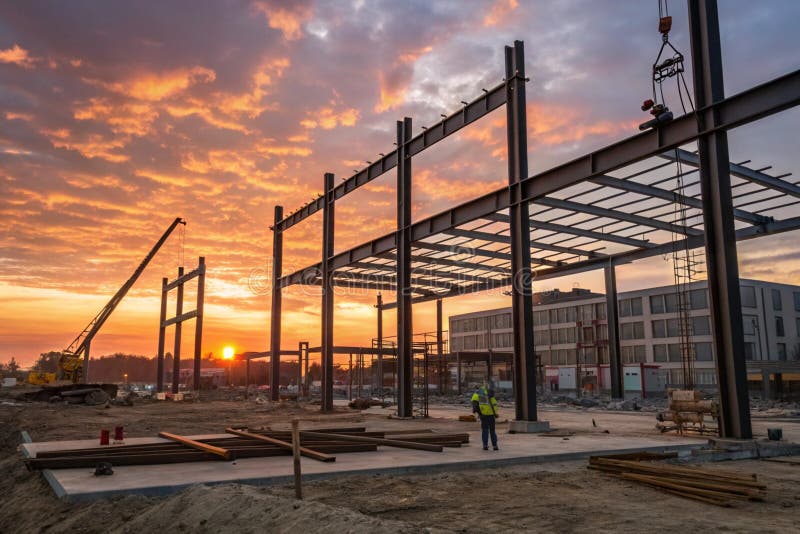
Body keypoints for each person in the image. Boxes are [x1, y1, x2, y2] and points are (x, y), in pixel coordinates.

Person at [471, 383, 499, 450]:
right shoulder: (490, 395)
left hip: (484, 415)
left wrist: (479, 413)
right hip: (491, 415)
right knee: (492, 430)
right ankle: (495, 446)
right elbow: (493, 405)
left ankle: (485, 445)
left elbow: (475, 407)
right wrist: (495, 414)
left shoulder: (478, 395)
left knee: (485, 430)